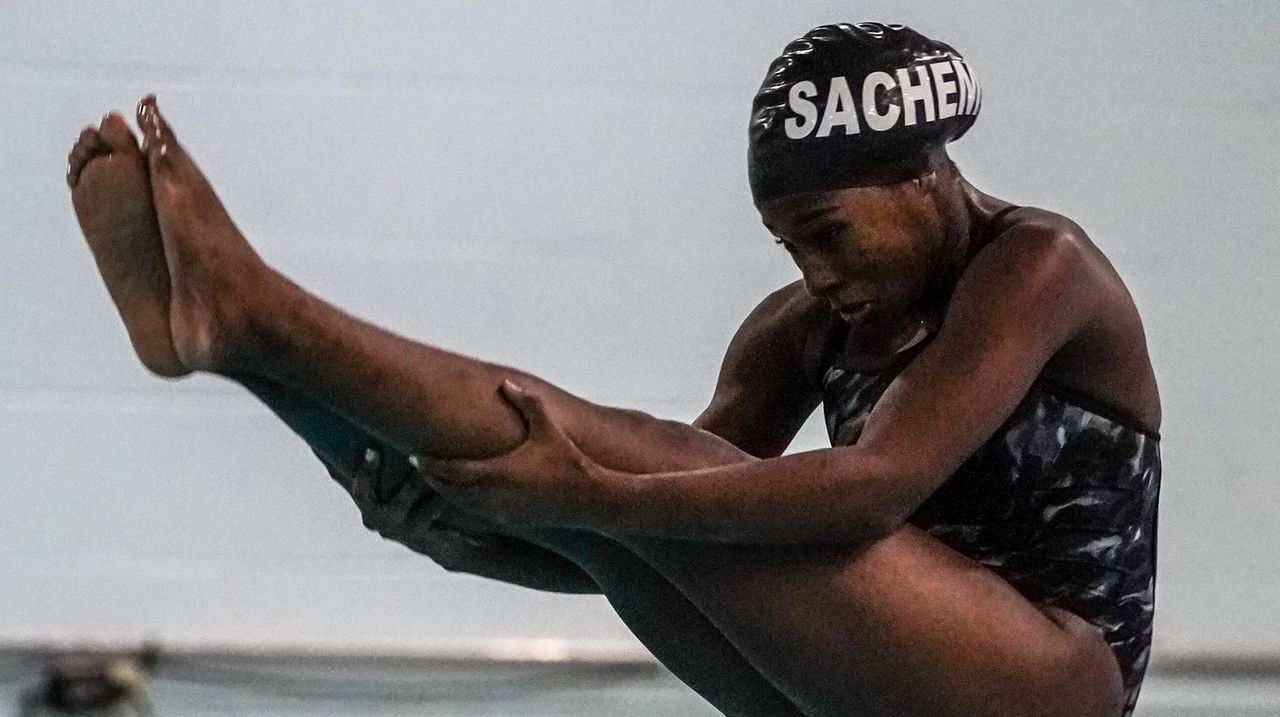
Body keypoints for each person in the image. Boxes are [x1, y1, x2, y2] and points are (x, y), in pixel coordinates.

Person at [65, 21, 1159, 717]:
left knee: (643, 469)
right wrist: (480, 542)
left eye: (827, 233)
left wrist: (591, 494)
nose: (813, 274)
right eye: (787, 247)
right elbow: (667, 535)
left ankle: (267, 315)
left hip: (1049, 681)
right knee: (629, 498)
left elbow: (877, 486)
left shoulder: (1035, 266)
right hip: (877, 684)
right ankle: (247, 358)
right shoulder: (802, 328)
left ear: (921, 174)